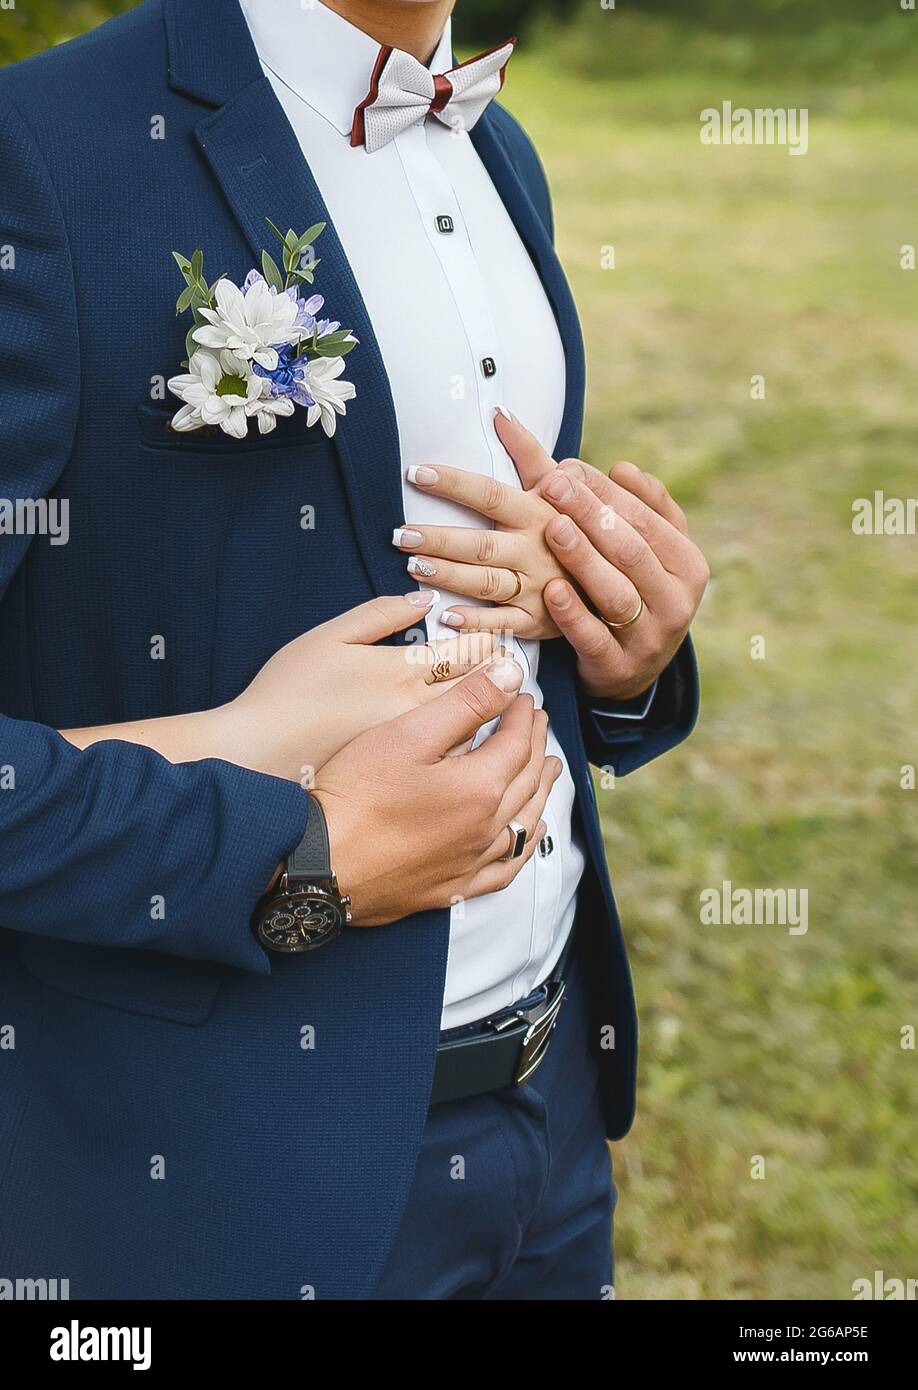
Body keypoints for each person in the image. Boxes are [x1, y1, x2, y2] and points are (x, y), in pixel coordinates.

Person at [0, 0, 707, 1299]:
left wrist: (621, 641)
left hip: (545, 1121)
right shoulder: (37, 154)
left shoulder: (502, 153)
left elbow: (447, 568)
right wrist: (293, 860)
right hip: (218, 1174)